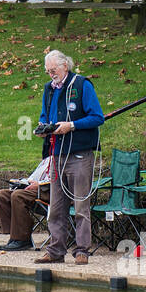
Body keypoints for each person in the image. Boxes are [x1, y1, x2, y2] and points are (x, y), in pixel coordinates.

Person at [35, 50, 104, 266]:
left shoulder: (82, 85)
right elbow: (44, 116)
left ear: (65, 66)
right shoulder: (48, 89)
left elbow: (97, 117)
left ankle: (82, 249)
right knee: (56, 207)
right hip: (57, 154)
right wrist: (44, 127)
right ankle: (55, 250)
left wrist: (71, 126)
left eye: (53, 70)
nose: (50, 75)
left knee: (81, 205)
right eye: (48, 71)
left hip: (80, 154)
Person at [0, 158, 50, 251]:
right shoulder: (47, 159)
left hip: (49, 192)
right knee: (2, 195)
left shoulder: (64, 159)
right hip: (33, 190)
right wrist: (22, 182)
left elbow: (59, 181)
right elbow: (33, 178)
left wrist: (39, 185)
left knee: (18, 196)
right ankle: (14, 236)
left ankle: (22, 238)